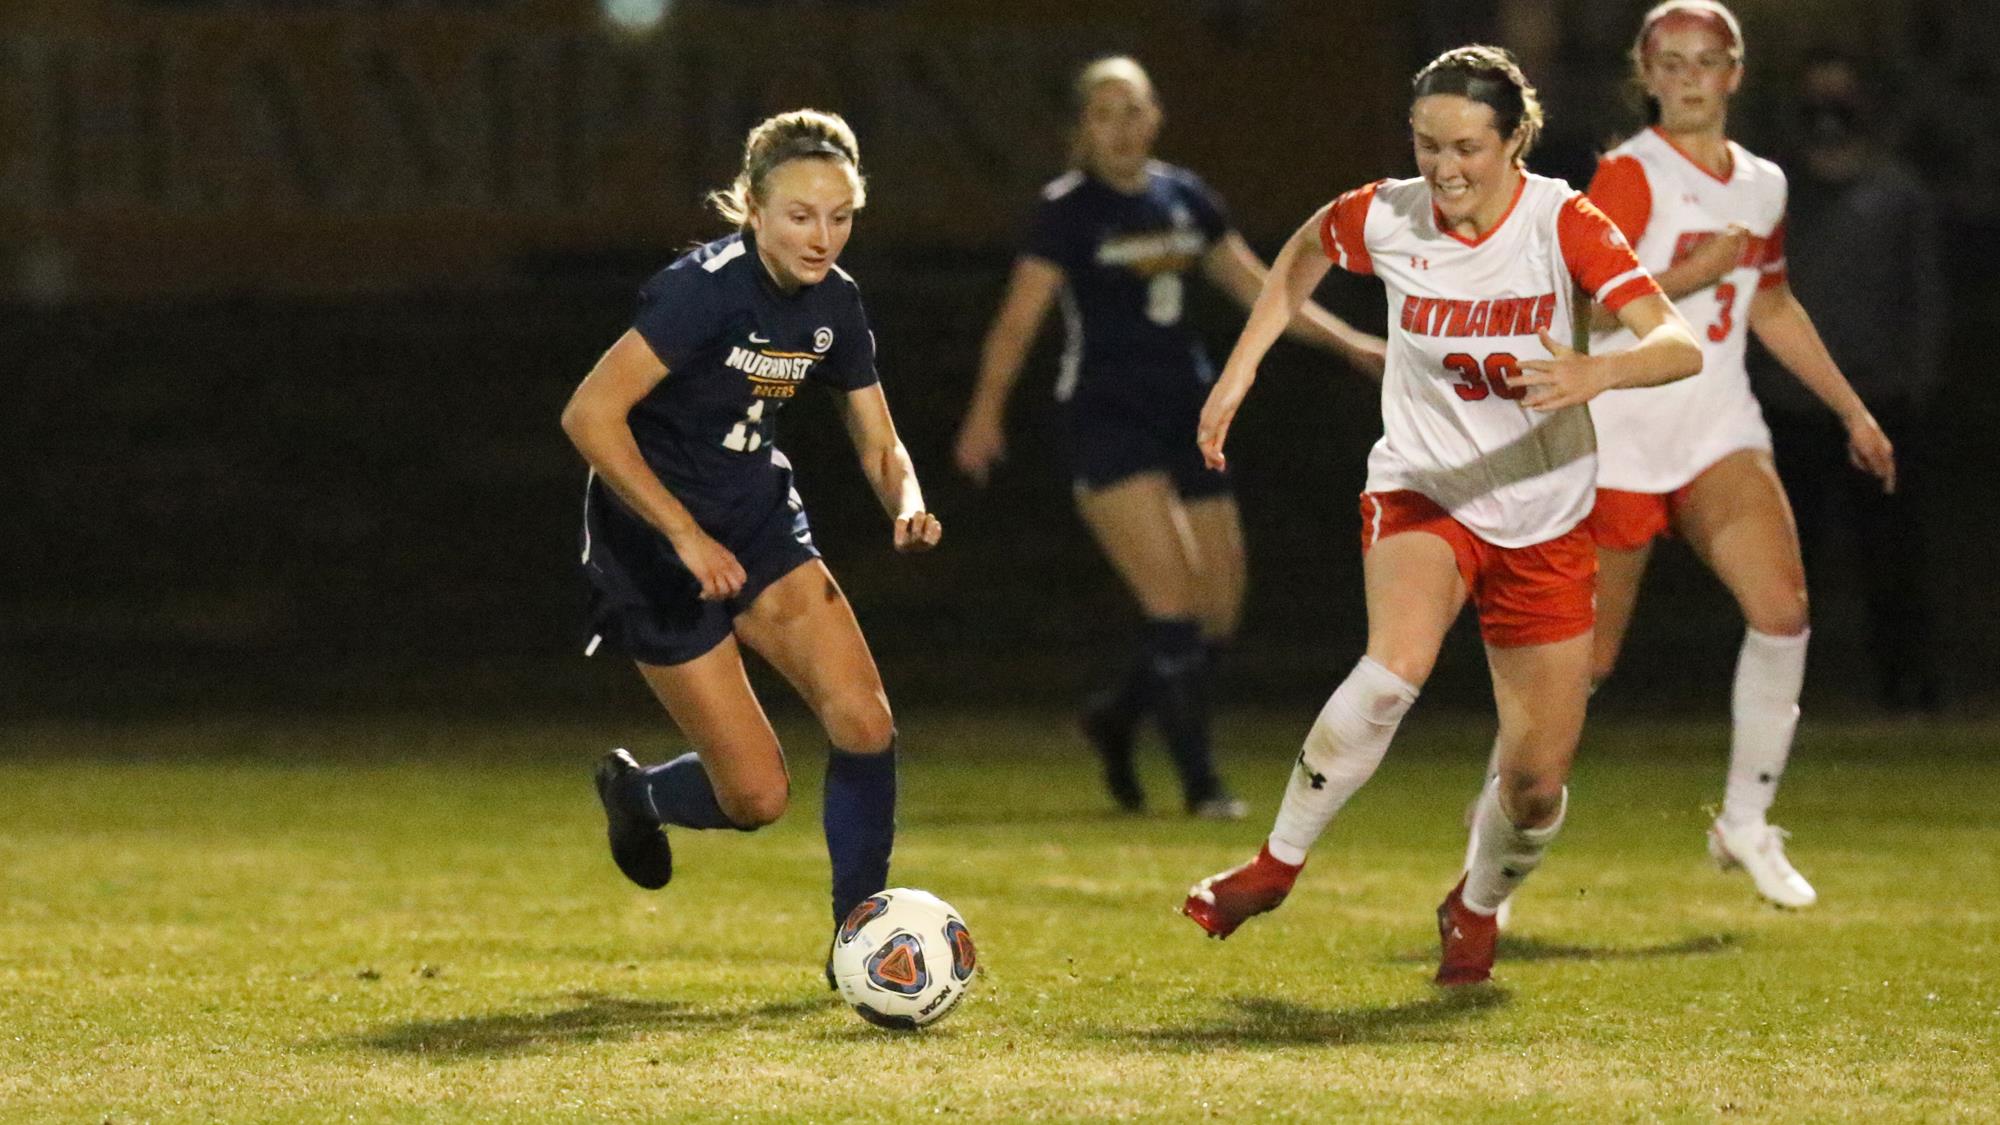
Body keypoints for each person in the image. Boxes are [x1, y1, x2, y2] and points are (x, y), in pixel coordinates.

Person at [1178, 45, 1701, 986]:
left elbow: (1676, 341)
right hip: (1424, 486)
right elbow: (1302, 249)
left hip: (1544, 511)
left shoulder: (1561, 223)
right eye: (1428, 146)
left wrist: (1597, 370)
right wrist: (1242, 368)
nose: (1445, 169)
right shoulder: (1387, 213)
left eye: (1467, 148)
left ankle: (1476, 903)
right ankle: (1274, 863)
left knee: (1535, 786)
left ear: (1517, 141)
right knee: (1393, 667)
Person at [560, 109, 941, 980]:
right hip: (652, 549)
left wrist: (907, 500)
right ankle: (640, 792)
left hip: (760, 523)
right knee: (758, 797)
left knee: (865, 721)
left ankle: (861, 940)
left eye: (840, 216)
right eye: (801, 215)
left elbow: (879, 441)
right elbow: (589, 414)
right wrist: (685, 536)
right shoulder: (701, 290)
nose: (822, 235)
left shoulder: (835, 301)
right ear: (754, 208)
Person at [953, 56, 1383, 820]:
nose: (1123, 125)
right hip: (1104, 415)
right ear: (1083, 129)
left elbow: (1259, 285)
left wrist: (1348, 340)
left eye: (1135, 109)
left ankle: (1114, 717)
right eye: (1105, 112)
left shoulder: (1184, 197)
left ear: (1156, 116)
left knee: (1220, 610)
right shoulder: (1067, 209)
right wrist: (986, 411)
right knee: (1175, 605)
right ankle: (1201, 782)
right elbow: (1020, 319)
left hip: (1188, 410)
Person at [1580, 1, 1896, 910]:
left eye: (1705, 61)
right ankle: (1496, 854)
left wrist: (1853, 412)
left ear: (1735, 73)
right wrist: (1686, 274)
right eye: (1670, 63)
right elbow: (1584, 312)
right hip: (1622, 439)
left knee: (1784, 608)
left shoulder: (1762, 183)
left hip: (1717, 427)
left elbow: (1770, 305)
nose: (1687, 77)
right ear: (1646, 76)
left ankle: (1746, 822)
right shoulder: (1627, 175)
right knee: (1581, 667)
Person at [1754, 49, 1944, 714]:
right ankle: (1777, 698)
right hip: (1788, 407)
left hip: (1879, 404)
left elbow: (1923, 298)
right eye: (1815, 102)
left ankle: (1907, 687)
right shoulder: (1776, 195)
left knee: (1891, 558)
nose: (1828, 119)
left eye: (1842, 101)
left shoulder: (1896, 193)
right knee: (1781, 562)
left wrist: (1909, 388)